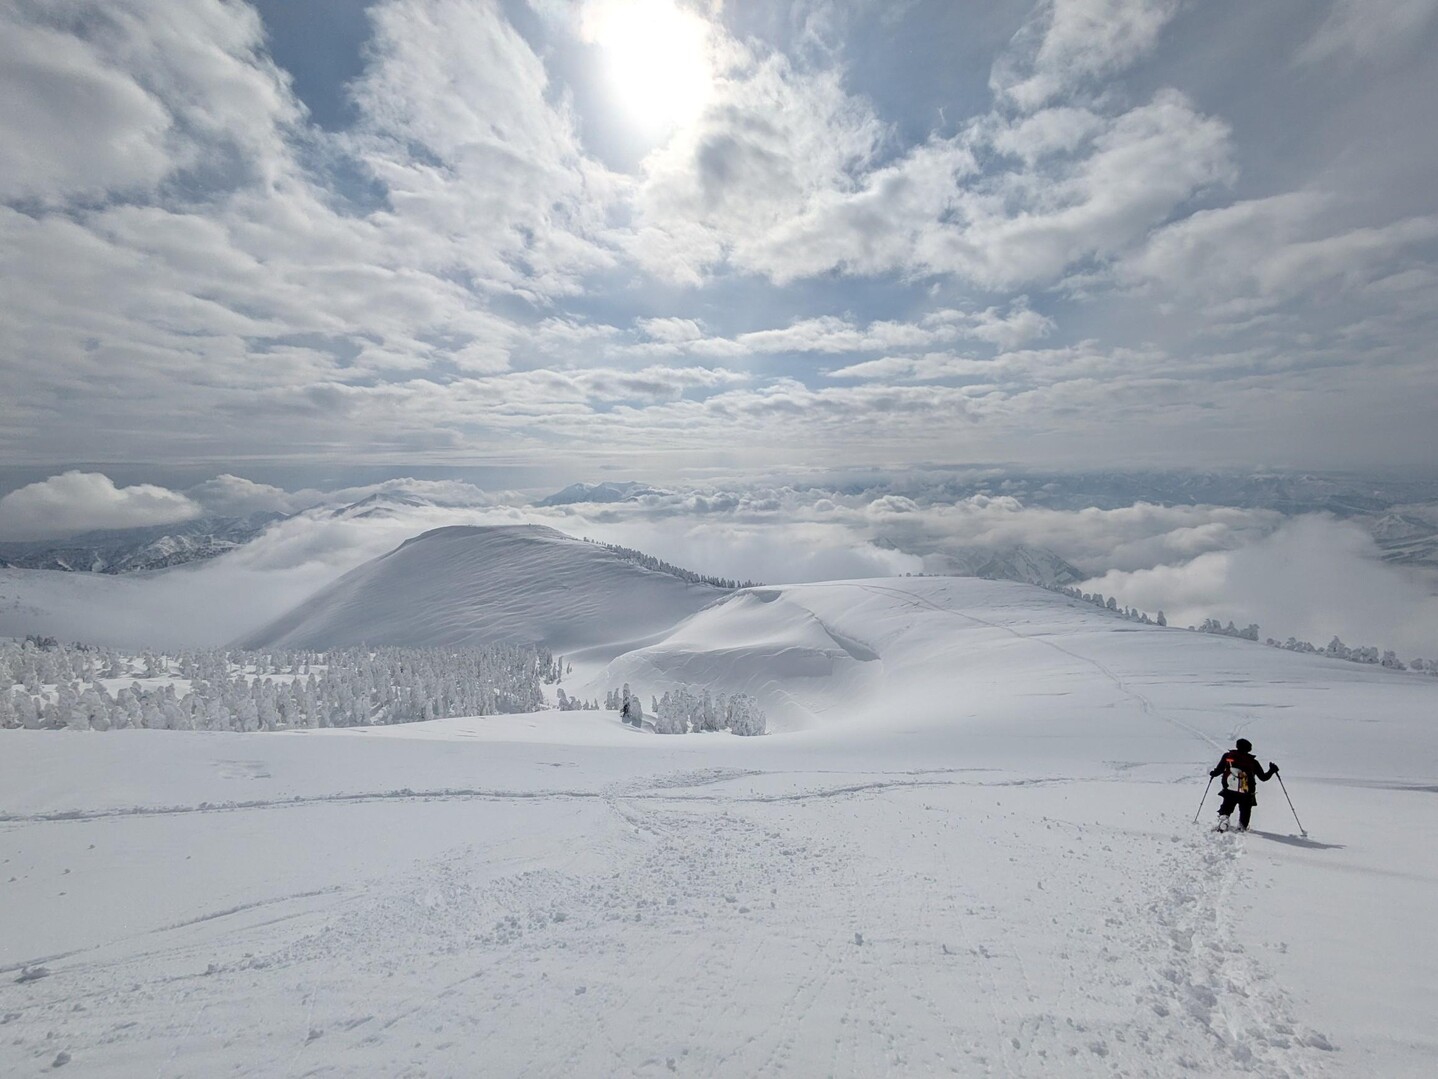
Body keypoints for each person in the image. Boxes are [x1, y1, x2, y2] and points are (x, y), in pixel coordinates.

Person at [1209, 738, 1279, 831]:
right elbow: (1263, 778)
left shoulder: (1228, 756)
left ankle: (1224, 820)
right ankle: (1242, 826)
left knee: (1227, 806)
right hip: (1246, 790)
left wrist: (1213, 773)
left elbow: (1219, 770)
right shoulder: (1253, 762)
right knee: (1245, 810)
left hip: (1230, 788)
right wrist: (1272, 770)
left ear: (1237, 746)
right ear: (1249, 749)